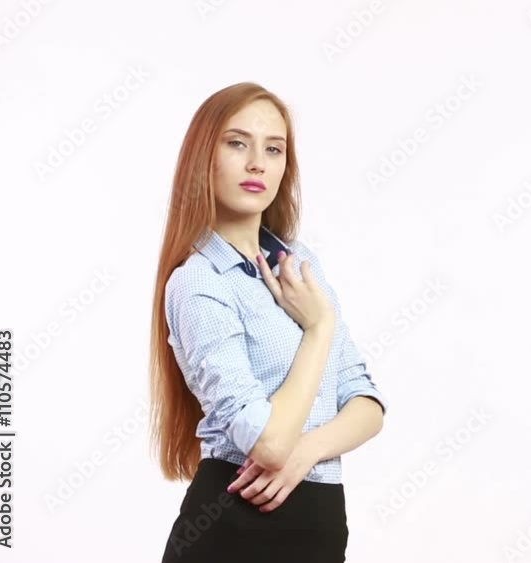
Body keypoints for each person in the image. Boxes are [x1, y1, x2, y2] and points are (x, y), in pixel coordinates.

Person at [148, 82, 388, 562]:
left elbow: (366, 404)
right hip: (232, 529)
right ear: (204, 158)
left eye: (273, 149)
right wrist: (318, 329)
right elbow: (267, 444)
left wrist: (305, 453)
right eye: (237, 143)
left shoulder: (300, 265)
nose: (258, 161)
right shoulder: (199, 283)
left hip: (318, 527)